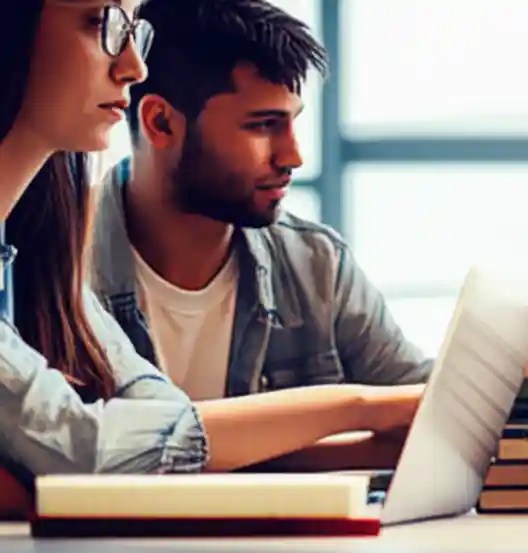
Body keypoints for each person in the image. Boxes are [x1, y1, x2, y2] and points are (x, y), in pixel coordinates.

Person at [0, 0, 422, 490]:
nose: (134, 67)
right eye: (100, 23)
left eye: (132, 30)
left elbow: (166, 423)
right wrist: (360, 406)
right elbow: (84, 449)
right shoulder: (79, 253)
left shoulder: (41, 250)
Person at [93, 0, 430, 401]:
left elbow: (422, 409)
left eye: (292, 122)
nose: (293, 157)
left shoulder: (317, 266)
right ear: (160, 123)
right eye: (264, 126)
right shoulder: (58, 268)